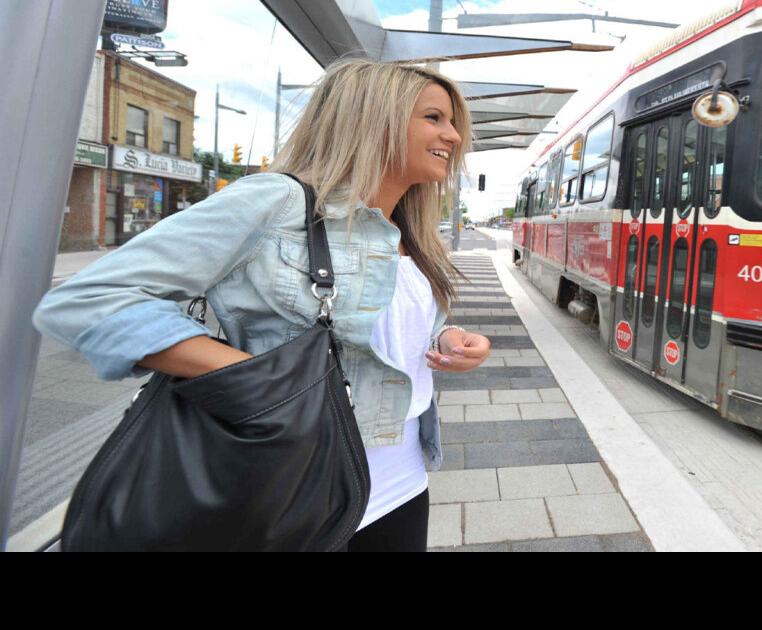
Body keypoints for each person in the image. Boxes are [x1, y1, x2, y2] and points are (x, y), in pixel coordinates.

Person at [32, 59, 488, 552]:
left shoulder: (407, 230)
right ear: (372, 118)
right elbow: (90, 299)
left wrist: (445, 337)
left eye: (453, 122)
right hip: (292, 490)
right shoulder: (279, 202)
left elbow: (376, 324)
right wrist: (258, 377)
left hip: (404, 482)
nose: (454, 136)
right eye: (434, 118)